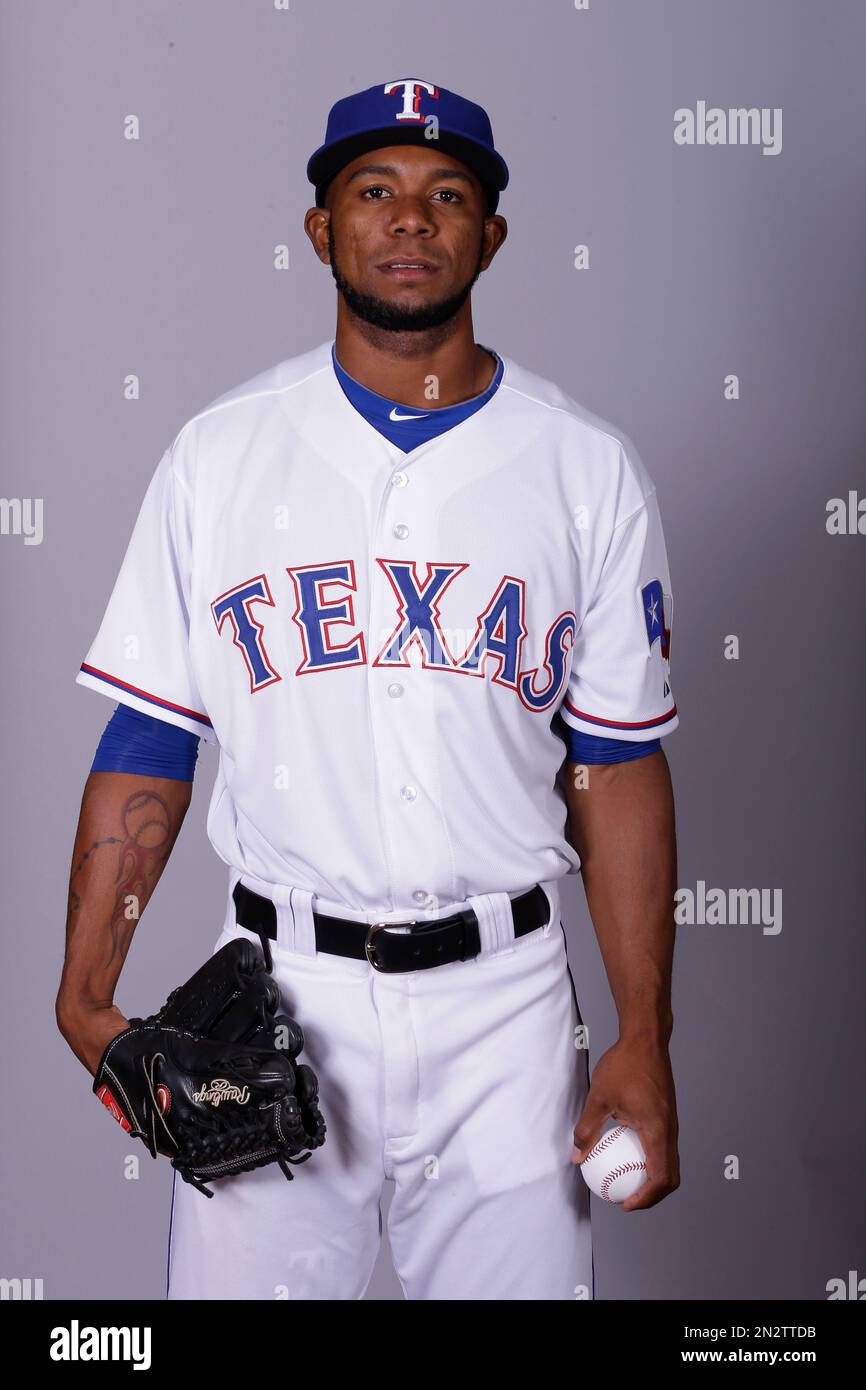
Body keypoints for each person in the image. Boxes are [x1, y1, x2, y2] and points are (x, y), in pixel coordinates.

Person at [57, 78, 680, 1301]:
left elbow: (615, 763)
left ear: (488, 237)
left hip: (504, 1010)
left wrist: (645, 1035)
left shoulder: (584, 468)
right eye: (373, 192)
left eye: (446, 195)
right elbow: (151, 736)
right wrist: (83, 991)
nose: (409, 220)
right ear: (320, 228)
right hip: (277, 999)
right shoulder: (218, 455)